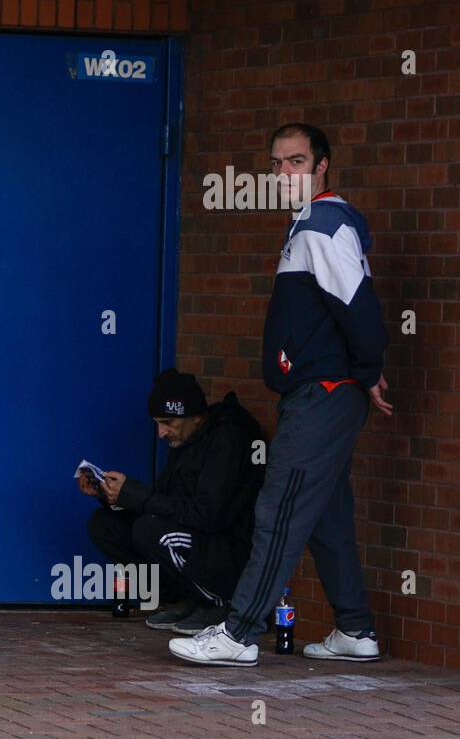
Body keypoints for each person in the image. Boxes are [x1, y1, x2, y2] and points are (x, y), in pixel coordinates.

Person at [171, 123, 391, 666]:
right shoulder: (309, 224)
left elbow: (358, 305)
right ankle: (355, 631)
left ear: (322, 166)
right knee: (325, 514)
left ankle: (240, 633)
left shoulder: (321, 225)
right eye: (276, 163)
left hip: (325, 393)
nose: (284, 173)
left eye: (296, 162)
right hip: (324, 392)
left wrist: (368, 369)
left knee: (280, 507)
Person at [84, 369, 266, 632]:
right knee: (105, 524)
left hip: (228, 550)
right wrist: (112, 496)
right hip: (199, 540)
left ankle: (226, 603)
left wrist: (137, 496)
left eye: (168, 422)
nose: (161, 432)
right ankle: (191, 598)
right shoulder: (186, 440)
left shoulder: (230, 438)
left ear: (195, 417)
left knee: (151, 529)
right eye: (158, 422)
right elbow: (166, 501)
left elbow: (208, 516)